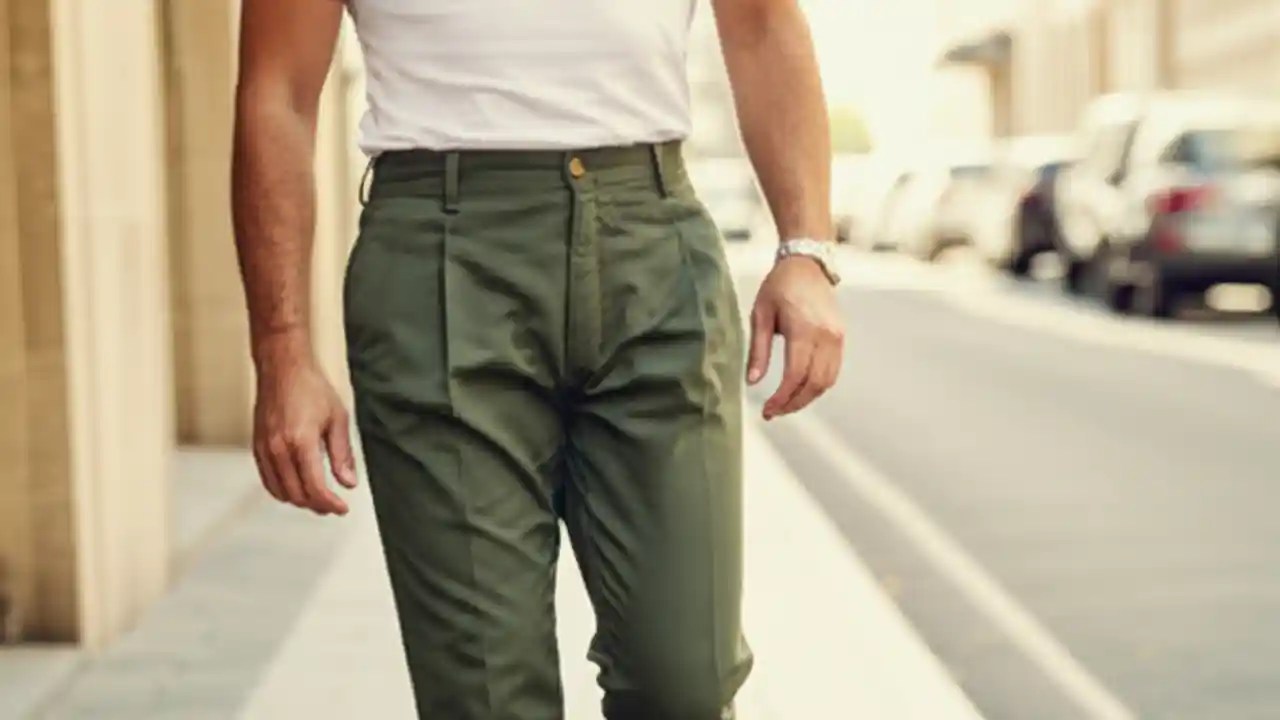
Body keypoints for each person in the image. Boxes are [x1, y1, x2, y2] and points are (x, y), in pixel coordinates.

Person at [231, 0, 844, 717]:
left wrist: (806, 247)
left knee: (686, 682)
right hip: (440, 258)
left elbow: (763, 25)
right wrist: (281, 352)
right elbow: (275, 91)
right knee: (484, 697)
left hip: (652, 245)